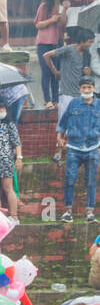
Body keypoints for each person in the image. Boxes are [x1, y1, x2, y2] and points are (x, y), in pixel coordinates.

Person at [57, 75, 100, 223]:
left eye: (89, 87)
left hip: (93, 147)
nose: (87, 90)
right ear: (79, 89)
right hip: (74, 147)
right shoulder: (73, 103)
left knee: (91, 181)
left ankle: (90, 212)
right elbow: (63, 123)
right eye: (84, 87)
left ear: (94, 88)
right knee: (70, 179)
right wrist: (59, 137)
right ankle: (68, 211)